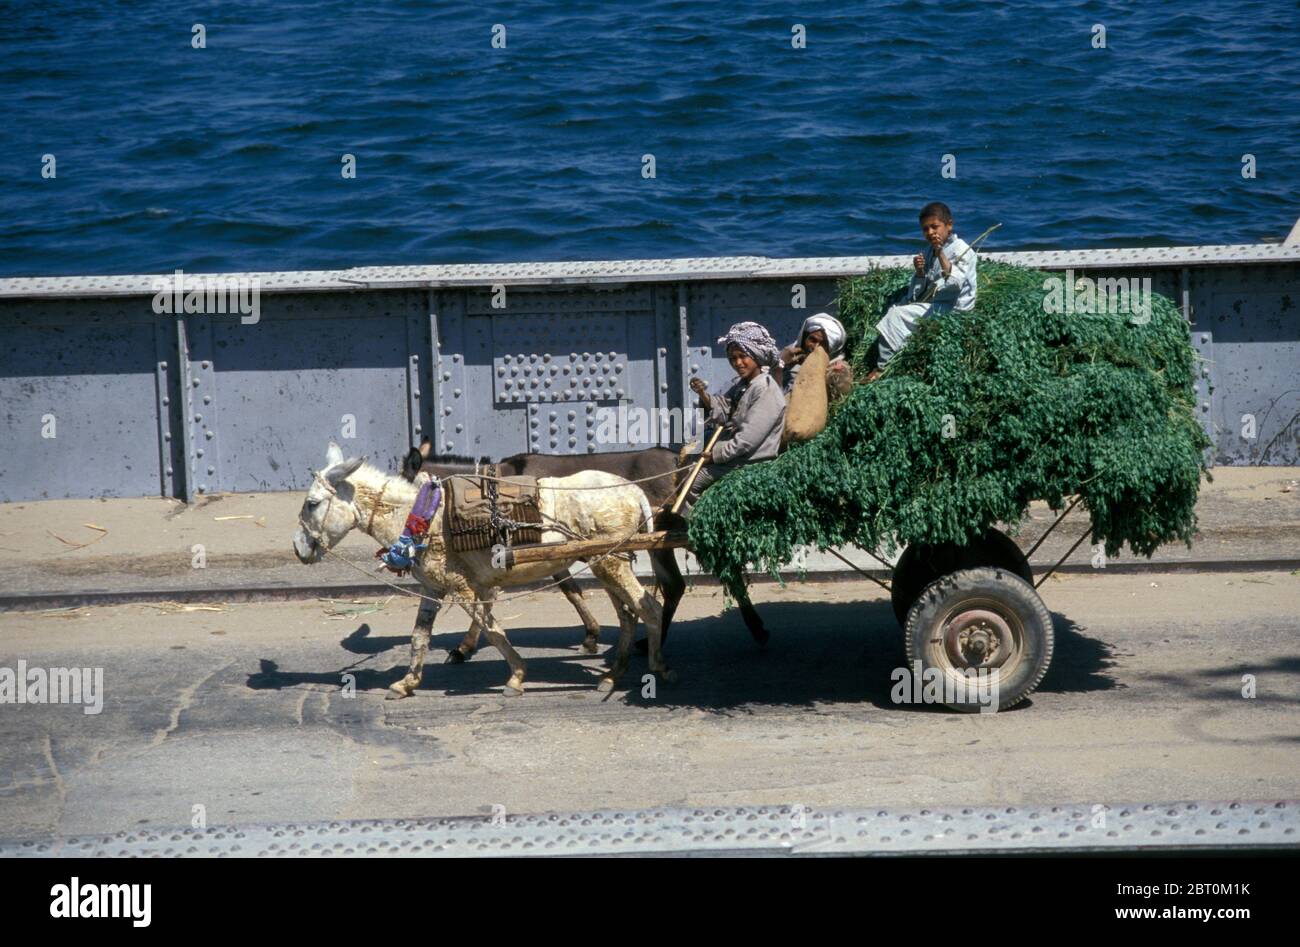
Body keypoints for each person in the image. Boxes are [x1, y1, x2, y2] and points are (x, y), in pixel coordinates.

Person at [672, 321, 786, 518]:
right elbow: (724, 409)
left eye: (743, 357)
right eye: (733, 358)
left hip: (750, 462)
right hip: (735, 459)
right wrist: (703, 395)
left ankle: (710, 531)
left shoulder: (765, 389)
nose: (738, 363)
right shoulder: (744, 385)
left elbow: (747, 441)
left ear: (757, 356)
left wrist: (715, 455)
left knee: (690, 486)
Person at [867, 201, 977, 381]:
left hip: (955, 309)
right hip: (936, 302)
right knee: (899, 305)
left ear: (949, 225)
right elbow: (917, 294)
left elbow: (955, 284)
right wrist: (919, 274)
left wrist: (940, 253)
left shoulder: (962, 250)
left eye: (935, 227)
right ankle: (897, 355)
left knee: (896, 315)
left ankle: (882, 367)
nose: (931, 233)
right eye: (926, 229)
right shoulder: (928, 251)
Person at [778, 311, 852, 399]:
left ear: (832, 351)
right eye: (812, 340)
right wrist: (780, 363)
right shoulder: (785, 357)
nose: (815, 347)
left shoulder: (835, 371)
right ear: (804, 337)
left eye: (823, 345)